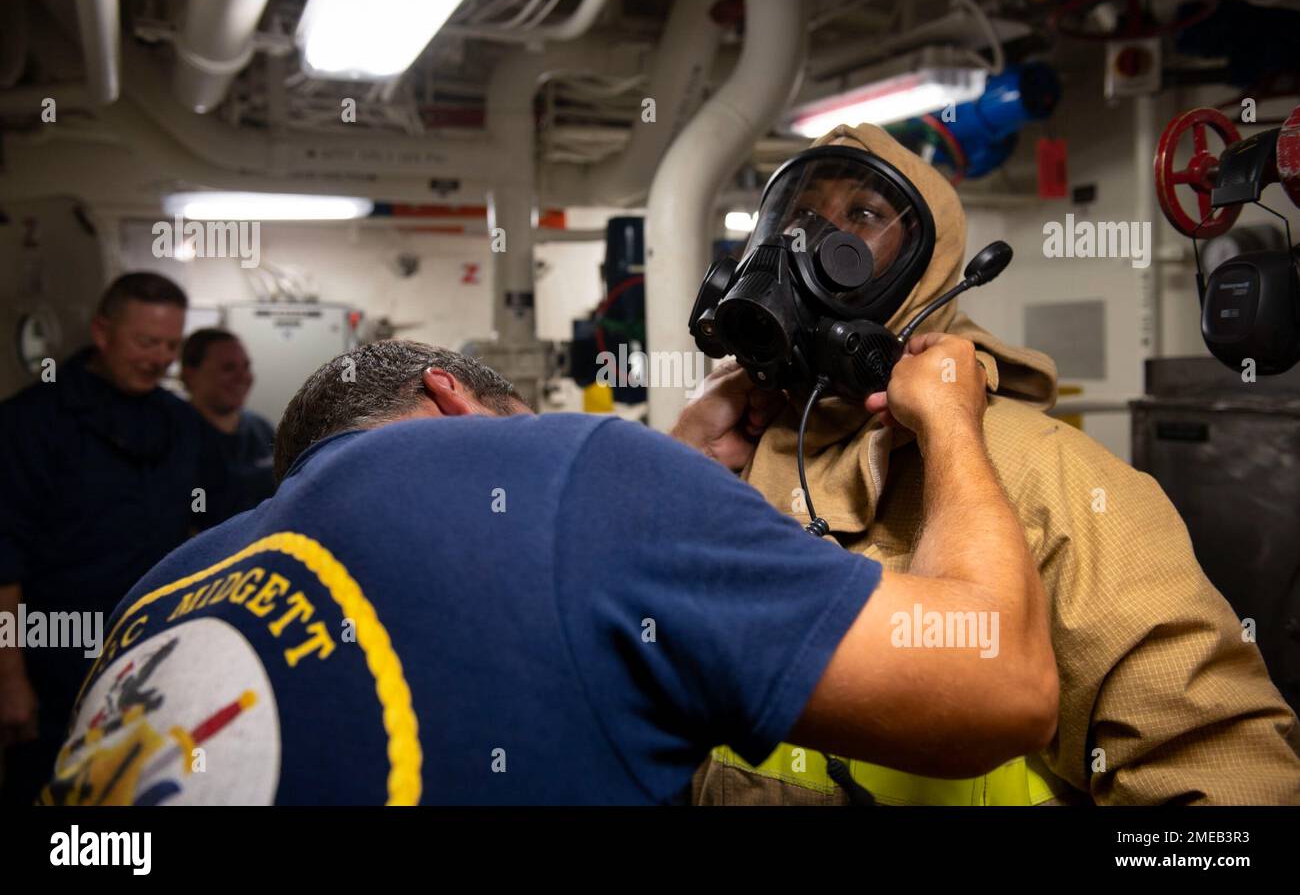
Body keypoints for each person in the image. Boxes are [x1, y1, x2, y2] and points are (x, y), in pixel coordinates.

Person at [42, 338, 1055, 805]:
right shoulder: (557, 468)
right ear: (451, 400)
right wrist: (954, 424)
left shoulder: (167, 589)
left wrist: (664, 482)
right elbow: (999, 683)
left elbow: (523, 610)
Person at [693, 122, 1300, 806]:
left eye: (860, 216)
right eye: (799, 215)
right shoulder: (722, 468)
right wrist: (676, 472)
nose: (806, 243)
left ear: (925, 277)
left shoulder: (1044, 474)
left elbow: (1224, 785)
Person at [0, 273, 235, 805]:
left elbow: (218, 526)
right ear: (102, 333)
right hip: (51, 655)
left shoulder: (181, 425)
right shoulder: (31, 421)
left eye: (171, 346)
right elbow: (4, 558)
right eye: (145, 342)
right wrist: (10, 681)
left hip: (150, 656)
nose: (159, 358)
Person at [180, 329, 277, 514]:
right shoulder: (175, 436)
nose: (243, 378)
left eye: (246, 367)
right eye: (228, 368)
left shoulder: (261, 429)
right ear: (191, 375)